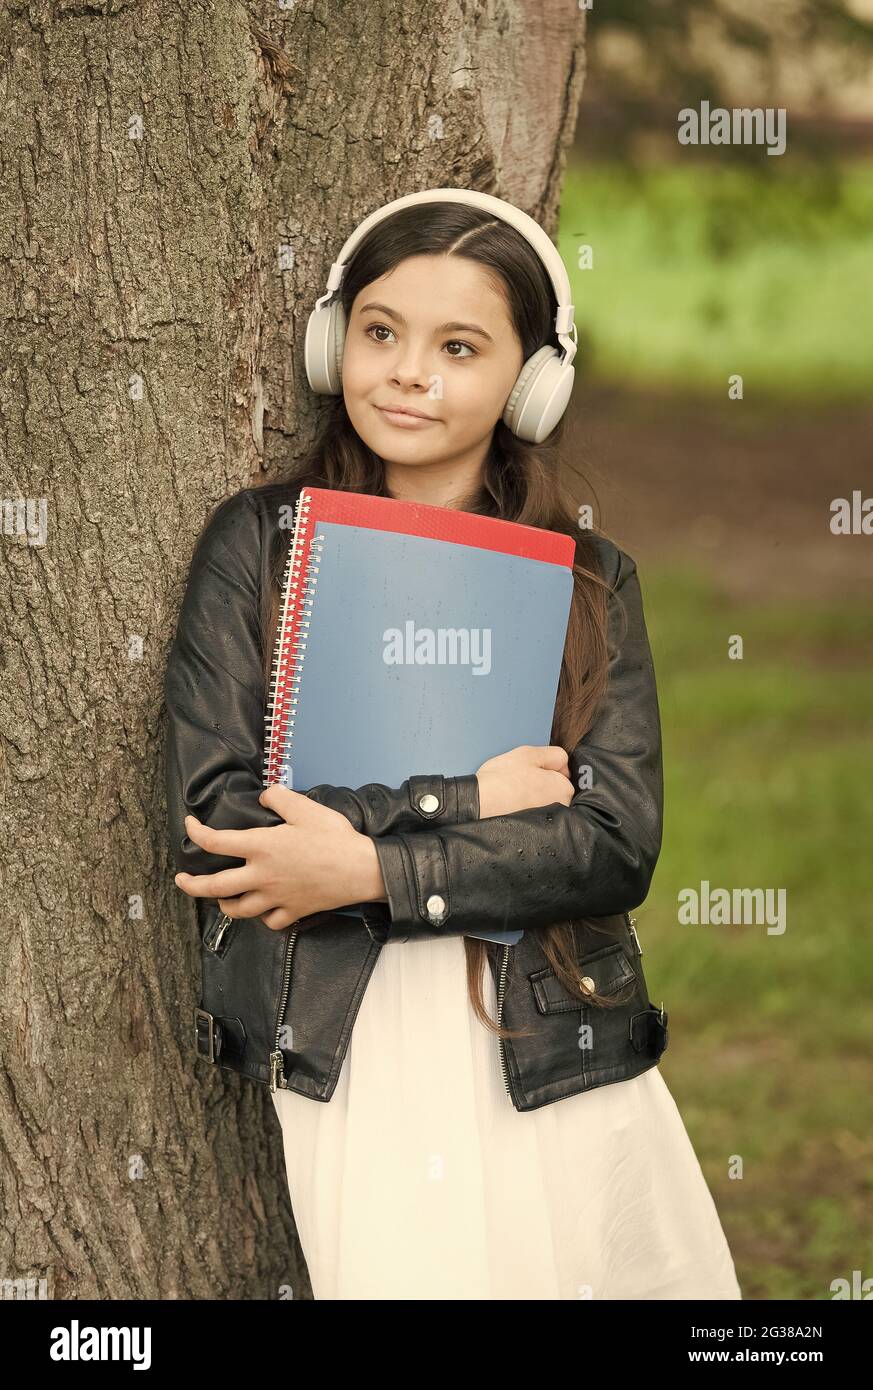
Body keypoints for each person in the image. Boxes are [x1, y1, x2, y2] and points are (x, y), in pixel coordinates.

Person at [167, 189, 742, 1300]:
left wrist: (369, 861)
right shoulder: (259, 548)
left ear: (532, 382)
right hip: (355, 1034)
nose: (408, 371)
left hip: (550, 1030)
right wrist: (464, 799)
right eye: (379, 332)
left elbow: (613, 842)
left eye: (459, 347)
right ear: (336, 343)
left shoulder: (587, 579)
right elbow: (220, 818)